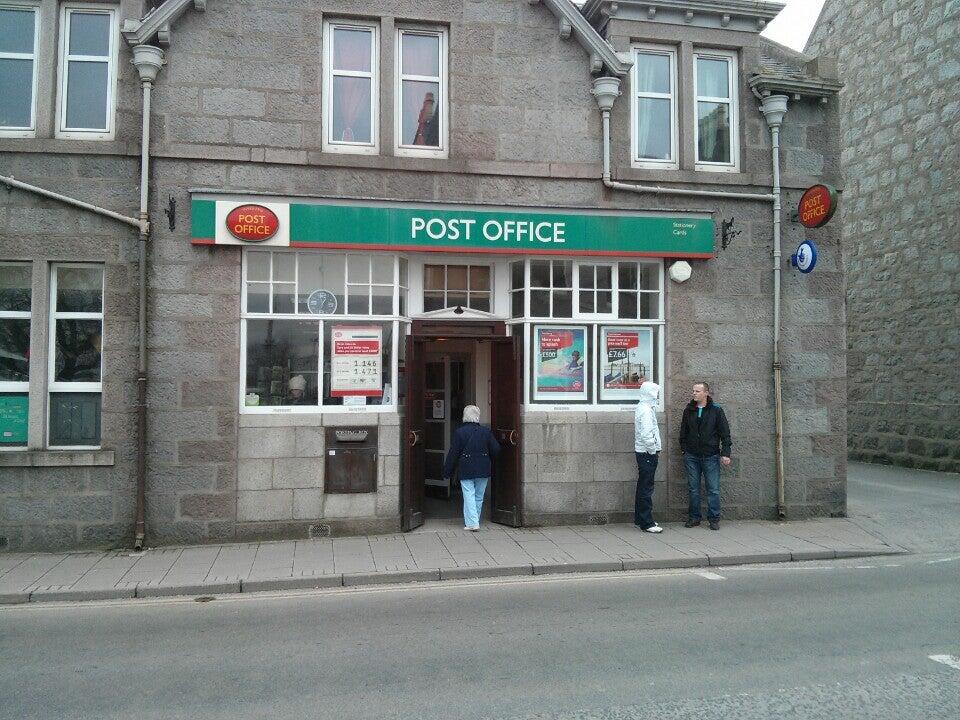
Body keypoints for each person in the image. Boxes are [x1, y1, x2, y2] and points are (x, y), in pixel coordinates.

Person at [679, 381, 732, 530]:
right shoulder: (689, 410)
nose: (694, 393)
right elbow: (683, 433)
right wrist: (684, 450)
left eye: (697, 391)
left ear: (706, 393)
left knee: (713, 489)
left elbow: (725, 433)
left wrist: (725, 453)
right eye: (693, 391)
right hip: (692, 456)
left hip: (710, 456)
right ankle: (694, 517)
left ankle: (714, 518)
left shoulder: (716, 410)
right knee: (693, 488)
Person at [443, 405, 501, 531]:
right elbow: (496, 449)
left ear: (465, 416)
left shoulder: (460, 432)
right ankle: (474, 520)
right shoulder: (486, 431)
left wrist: (447, 471)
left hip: (466, 467)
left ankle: (473, 523)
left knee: (468, 494)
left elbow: (453, 453)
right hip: (483, 467)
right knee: (479, 496)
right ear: (477, 416)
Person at [633, 375, 662, 533]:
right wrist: (653, 450)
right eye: (655, 392)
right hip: (646, 453)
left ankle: (641, 519)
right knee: (646, 488)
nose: (657, 395)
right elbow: (646, 434)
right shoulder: (645, 410)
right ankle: (647, 522)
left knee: (643, 486)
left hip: (644, 452)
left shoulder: (644, 408)